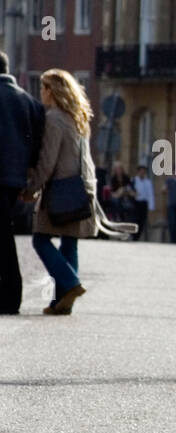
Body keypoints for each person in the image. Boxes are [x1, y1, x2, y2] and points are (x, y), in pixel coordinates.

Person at [21, 70, 136, 315]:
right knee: (69, 243)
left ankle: (71, 284)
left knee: (40, 240)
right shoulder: (78, 117)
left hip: (61, 190)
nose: (41, 94)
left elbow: (48, 160)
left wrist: (32, 188)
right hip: (81, 188)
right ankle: (63, 302)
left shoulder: (53, 119)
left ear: (51, 91)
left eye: (43, 88)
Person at [0, 50, 45, 314]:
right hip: (14, 179)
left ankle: (9, 296)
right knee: (5, 234)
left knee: (3, 237)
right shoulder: (29, 102)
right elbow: (38, 144)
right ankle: (10, 295)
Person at [132, 164, 155, 241]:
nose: (142, 172)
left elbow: (150, 194)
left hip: (144, 204)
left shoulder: (148, 182)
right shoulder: (134, 180)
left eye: (144, 171)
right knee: (135, 219)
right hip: (136, 203)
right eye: (141, 171)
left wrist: (151, 207)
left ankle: (137, 236)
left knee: (142, 221)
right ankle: (133, 235)